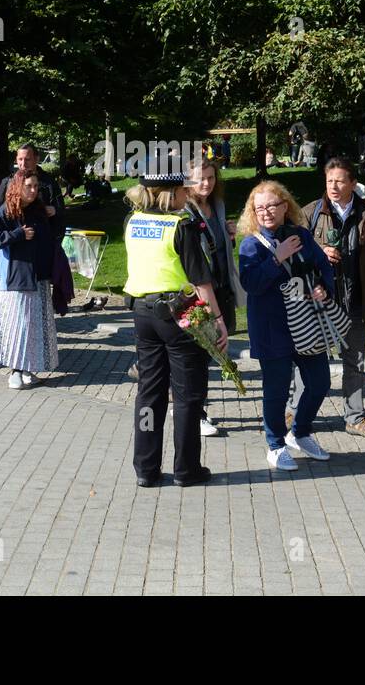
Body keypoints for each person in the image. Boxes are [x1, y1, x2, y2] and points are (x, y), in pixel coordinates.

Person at [119, 173, 218, 487]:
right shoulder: (181, 226)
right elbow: (201, 280)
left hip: (143, 315)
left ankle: (146, 469)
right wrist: (217, 322)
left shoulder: (132, 221)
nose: (187, 194)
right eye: (183, 189)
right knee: (188, 396)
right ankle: (187, 469)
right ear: (171, 193)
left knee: (149, 393)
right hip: (180, 314)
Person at [292, 158, 365, 439]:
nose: (334, 186)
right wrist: (319, 252)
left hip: (356, 302)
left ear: (353, 183)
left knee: (355, 363)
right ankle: (296, 411)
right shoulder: (310, 213)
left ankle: (354, 417)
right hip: (317, 304)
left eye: (340, 181)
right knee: (309, 358)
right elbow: (291, 256)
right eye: (329, 181)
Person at [238, 179, 336, 471]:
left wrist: (322, 288)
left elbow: (323, 267)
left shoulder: (301, 235)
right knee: (276, 389)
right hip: (272, 328)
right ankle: (275, 444)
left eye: (271, 206)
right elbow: (251, 284)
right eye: (259, 208)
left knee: (320, 382)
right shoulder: (251, 244)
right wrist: (277, 259)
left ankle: (301, 432)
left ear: (285, 207)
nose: (266, 212)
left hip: (305, 324)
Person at [0, 169, 61, 391]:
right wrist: (16, 235)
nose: (33, 190)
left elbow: (51, 235)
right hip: (16, 279)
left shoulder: (38, 211)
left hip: (38, 278)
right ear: (18, 187)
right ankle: (15, 371)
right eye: (29, 185)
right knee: (17, 326)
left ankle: (28, 368)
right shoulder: (7, 211)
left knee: (34, 326)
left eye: (36, 186)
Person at [184, 157, 241, 438]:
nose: (205, 183)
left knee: (212, 351)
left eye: (210, 177)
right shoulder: (185, 211)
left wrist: (229, 236)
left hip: (221, 287)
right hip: (198, 291)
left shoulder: (216, 206)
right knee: (200, 354)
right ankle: (196, 412)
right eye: (199, 178)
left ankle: (187, 404)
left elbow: (219, 248)